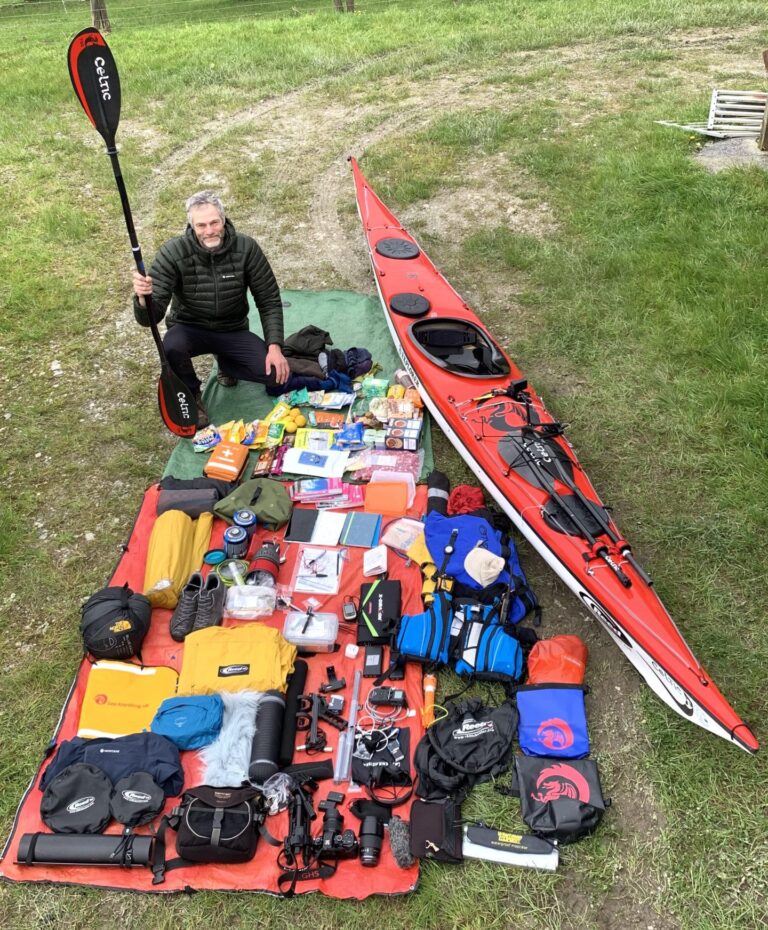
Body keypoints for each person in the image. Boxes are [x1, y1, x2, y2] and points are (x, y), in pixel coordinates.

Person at [133, 191, 290, 428]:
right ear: (191, 225)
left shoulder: (247, 248)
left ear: (224, 220)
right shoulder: (172, 252)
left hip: (232, 328)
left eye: (215, 223)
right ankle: (193, 394)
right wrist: (143, 299)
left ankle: (226, 363)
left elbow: (268, 300)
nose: (209, 231)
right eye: (201, 225)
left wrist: (275, 346)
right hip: (188, 327)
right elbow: (151, 318)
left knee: (274, 377)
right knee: (172, 347)